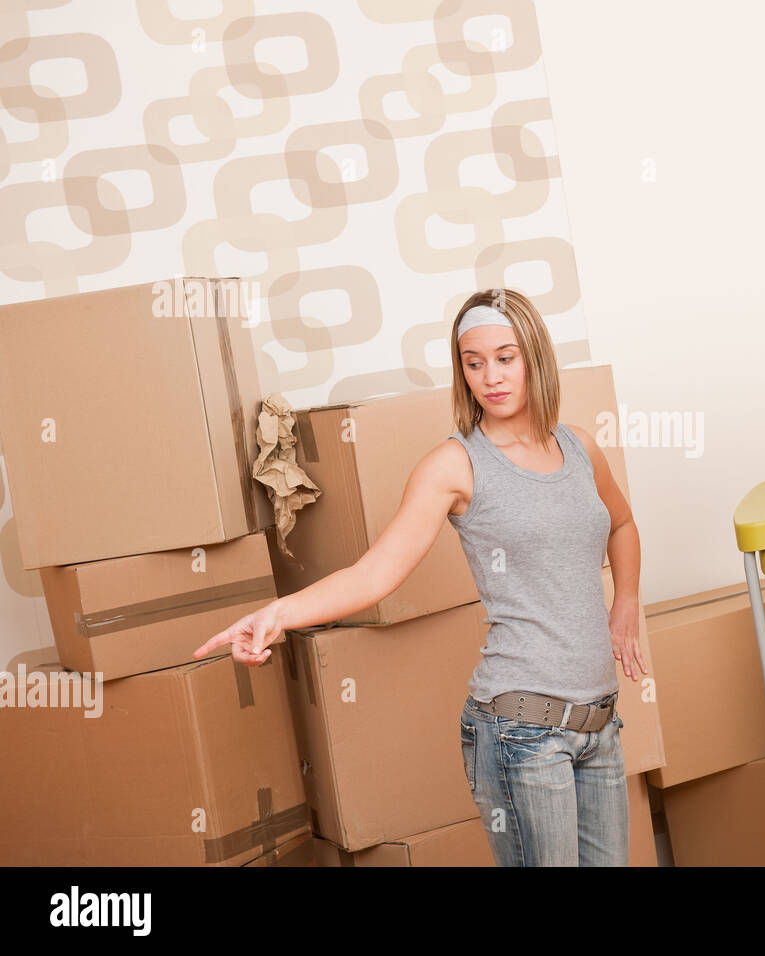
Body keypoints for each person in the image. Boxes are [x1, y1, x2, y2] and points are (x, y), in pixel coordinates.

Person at [195, 287, 648, 867]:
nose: (491, 377)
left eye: (506, 358)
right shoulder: (455, 465)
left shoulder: (579, 447)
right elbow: (374, 574)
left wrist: (626, 599)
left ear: (536, 355)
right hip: (522, 735)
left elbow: (624, 523)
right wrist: (276, 614)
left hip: (600, 726)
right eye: (474, 362)